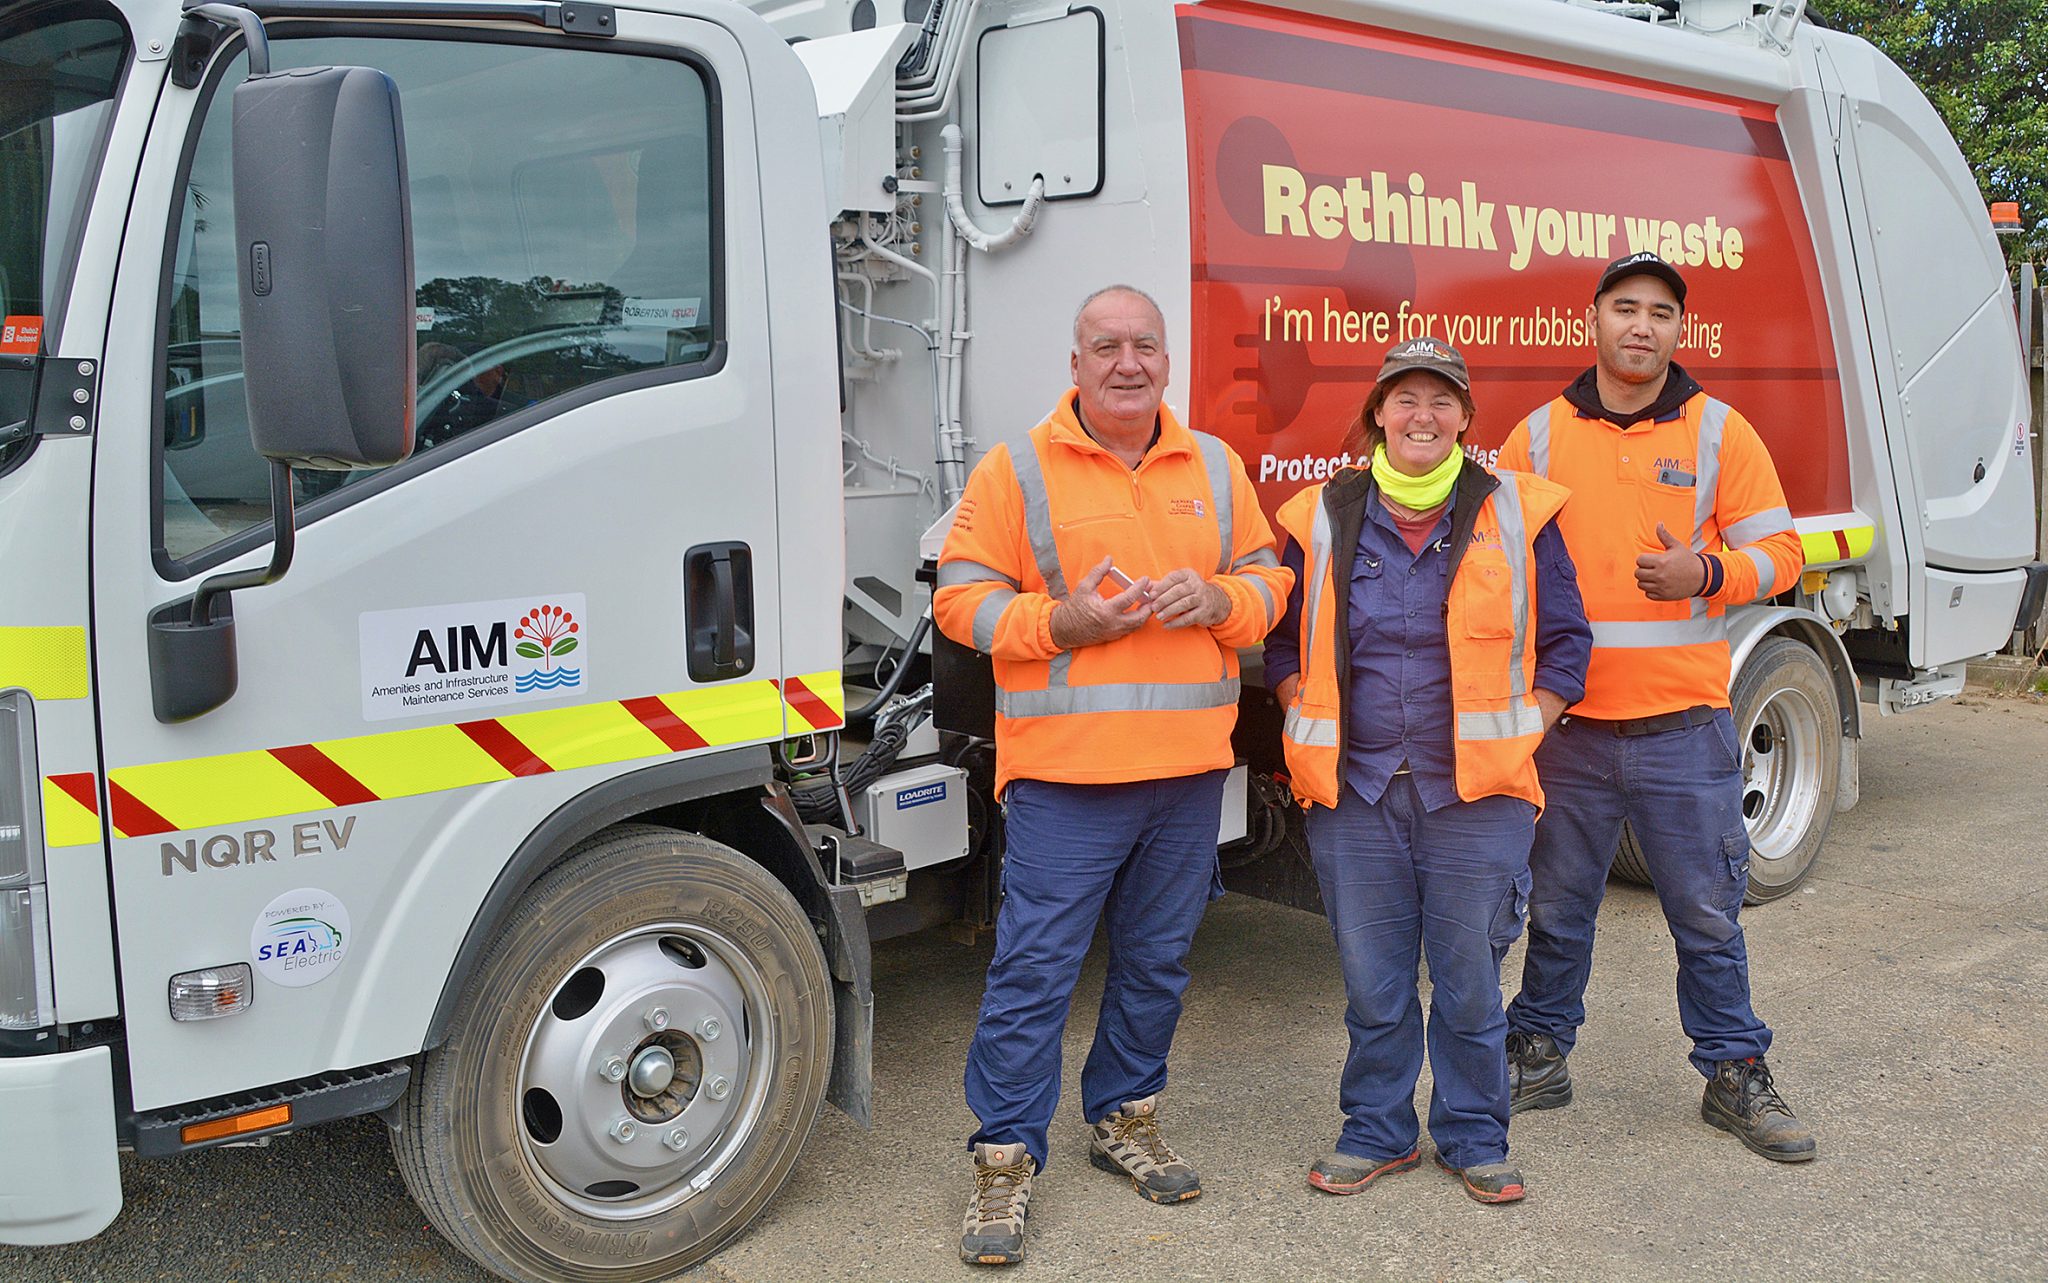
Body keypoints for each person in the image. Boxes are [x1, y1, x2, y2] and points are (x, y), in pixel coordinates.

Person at [933, 284, 1292, 1265]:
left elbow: (1269, 583)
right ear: (1076, 362)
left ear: (1166, 360)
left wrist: (1218, 595)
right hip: (1063, 779)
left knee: (1155, 959)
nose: (1125, 361)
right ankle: (1004, 1154)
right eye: (1105, 346)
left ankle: (1123, 1117)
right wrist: (1061, 621)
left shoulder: (1213, 466)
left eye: (1143, 345)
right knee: (1034, 970)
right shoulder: (1016, 468)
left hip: (1182, 777)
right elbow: (959, 602)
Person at [1497, 252, 1816, 1162]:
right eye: (1625, 308)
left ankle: (1734, 1072)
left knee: (1708, 914)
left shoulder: (1721, 434)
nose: (1642, 326)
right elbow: (1502, 568)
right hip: (1571, 734)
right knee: (1556, 908)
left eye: (1661, 313)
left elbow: (1784, 554)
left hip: (1684, 731)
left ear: (1682, 330)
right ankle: (1540, 1052)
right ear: (1591, 320)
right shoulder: (1538, 438)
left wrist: (1707, 572)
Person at [1265, 337, 1591, 1205]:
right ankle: (1377, 1130)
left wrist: (1525, 733)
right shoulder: (1322, 515)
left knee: (1470, 982)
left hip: (1476, 795)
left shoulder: (1518, 510)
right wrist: (1302, 699)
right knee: (1373, 981)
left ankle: (1474, 1135)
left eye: (1441, 401)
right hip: (1358, 792)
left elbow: (1567, 648)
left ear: (1465, 418)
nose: (1422, 416)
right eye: (1404, 399)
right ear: (1377, 411)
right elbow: (1277, 639)